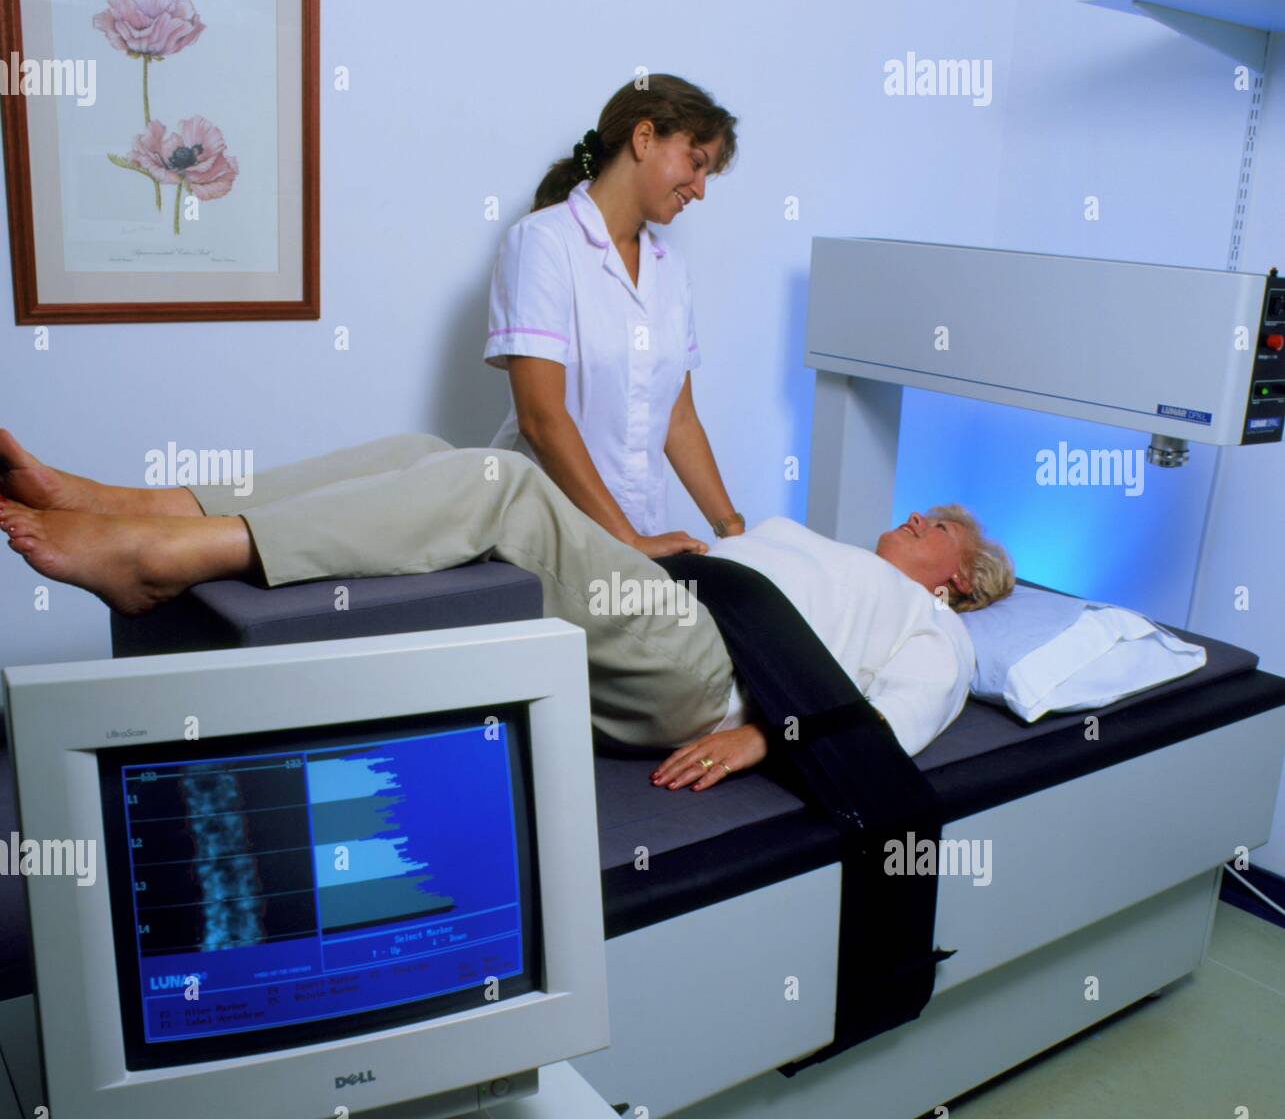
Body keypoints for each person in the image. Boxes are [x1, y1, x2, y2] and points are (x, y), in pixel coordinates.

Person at [0, 429, 1014, 792]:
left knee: (502, 487)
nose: (915, 517)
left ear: (956, 580)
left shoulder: (938, 632)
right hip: (675, 601)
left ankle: (167, 557)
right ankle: (136, 505)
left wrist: (768, 737)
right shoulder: (814, 542)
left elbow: (901, 722)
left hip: (709, 674)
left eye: (938, 527)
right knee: (424, 454)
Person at [486, 75, 744, 560]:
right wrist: (626, 540)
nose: (701, 189)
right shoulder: (543, 243)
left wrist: (736, 535)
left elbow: (679, 418)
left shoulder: (670, 270)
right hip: (550, 538)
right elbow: (540, 417)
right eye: (696, 163)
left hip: (640, 543)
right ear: (644, 138)